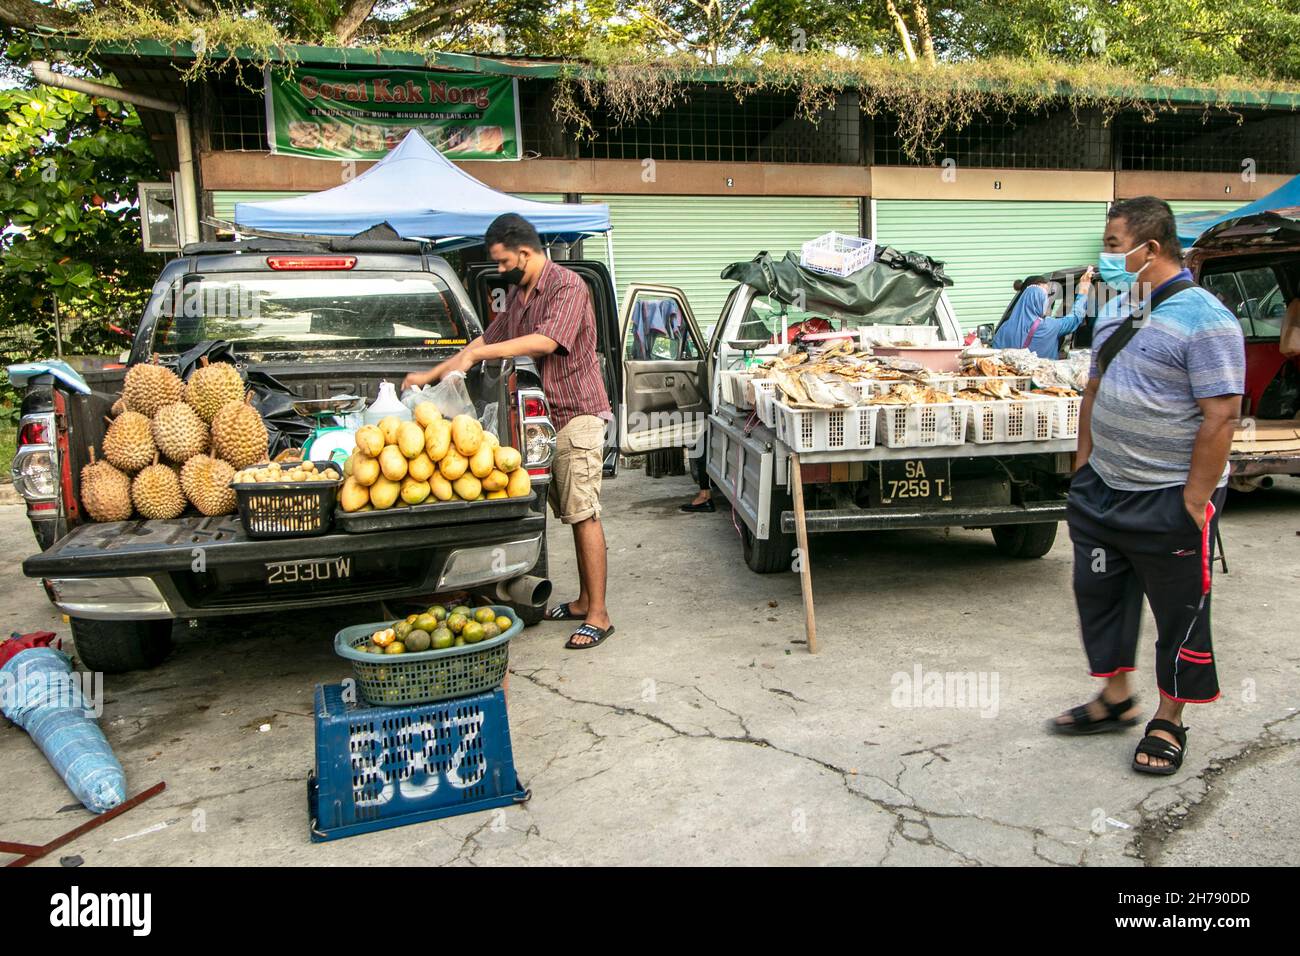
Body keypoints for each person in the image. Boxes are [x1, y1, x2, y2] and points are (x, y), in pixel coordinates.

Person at [1051, 196, 1245, 776]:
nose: (1105, 258)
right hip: (1102, 489)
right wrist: (1083, 466)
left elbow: (1222, 415)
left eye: (1113, 246)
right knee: (1101, 597)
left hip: (1166, 497)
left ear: (1150, 249)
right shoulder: (1120, 309)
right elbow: (1094, 389)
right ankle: (1116, 697)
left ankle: (1169, 719)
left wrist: (1193, 499)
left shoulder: (1208, 319)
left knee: (1178, 612)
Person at [402, 213, 615, 650]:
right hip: (544, 424)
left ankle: (599, 614)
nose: (500, 271)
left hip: (578, 414)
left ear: (523, 251)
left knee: (583, 513)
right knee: (566, 515)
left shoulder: (568, 287)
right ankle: (580, 601)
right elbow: (482, 344)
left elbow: (545, 341)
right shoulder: (520, 296)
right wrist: (431, 374)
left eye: (502, 262)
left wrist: (483, 354)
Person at [992, 270, 1093, 358]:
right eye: (1046, 297)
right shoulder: (1050, 325)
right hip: (1044, 379)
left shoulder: (1004, 328)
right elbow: (1075, 318)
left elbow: (995, 357)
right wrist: (1083, 290)